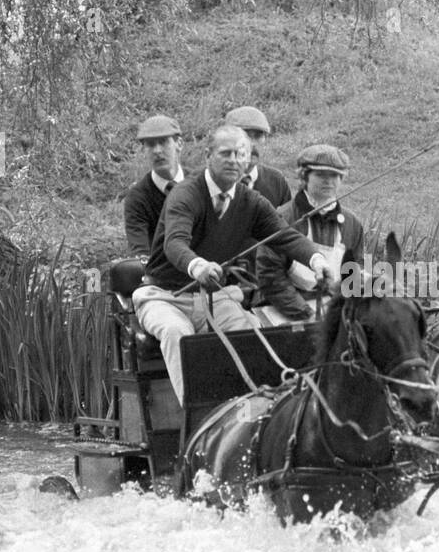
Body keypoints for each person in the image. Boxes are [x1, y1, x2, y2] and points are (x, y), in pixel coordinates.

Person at [132, 125, 337, 405]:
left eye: (241, 154)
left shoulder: (251, 202)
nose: (234, 160)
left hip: (215, 299)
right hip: (164, 297)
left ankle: (257, 412)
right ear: (208, 156)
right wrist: (197, 266)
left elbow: (285, 236)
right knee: (176, 332)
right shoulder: (185, 194)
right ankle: (195, 420)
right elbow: (175, 243)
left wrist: (317, 260)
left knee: (249, 331)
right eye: (225, 153)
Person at [256, 145, 364, 325]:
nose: (329, 182)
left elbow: (355, 269)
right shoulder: (283, 217)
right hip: (285, 310)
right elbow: (270, 276)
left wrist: (345, 307)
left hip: (335, 308)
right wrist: (307, 314)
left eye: (335, 176)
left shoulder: (352, 223)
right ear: (304, 176)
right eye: (321, 175)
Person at [124, 114, 184, 257]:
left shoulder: (199, 184)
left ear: (179, 144)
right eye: (150, 144)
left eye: (163, 142)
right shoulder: (137, 198)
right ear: (144, 150)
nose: (157, 151)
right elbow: (140, 254)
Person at [223, 106, 291, 207]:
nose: (252, 143)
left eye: (258, 136)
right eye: (245, 136)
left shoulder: (276, 181)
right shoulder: (210, 180)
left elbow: (287, 221)